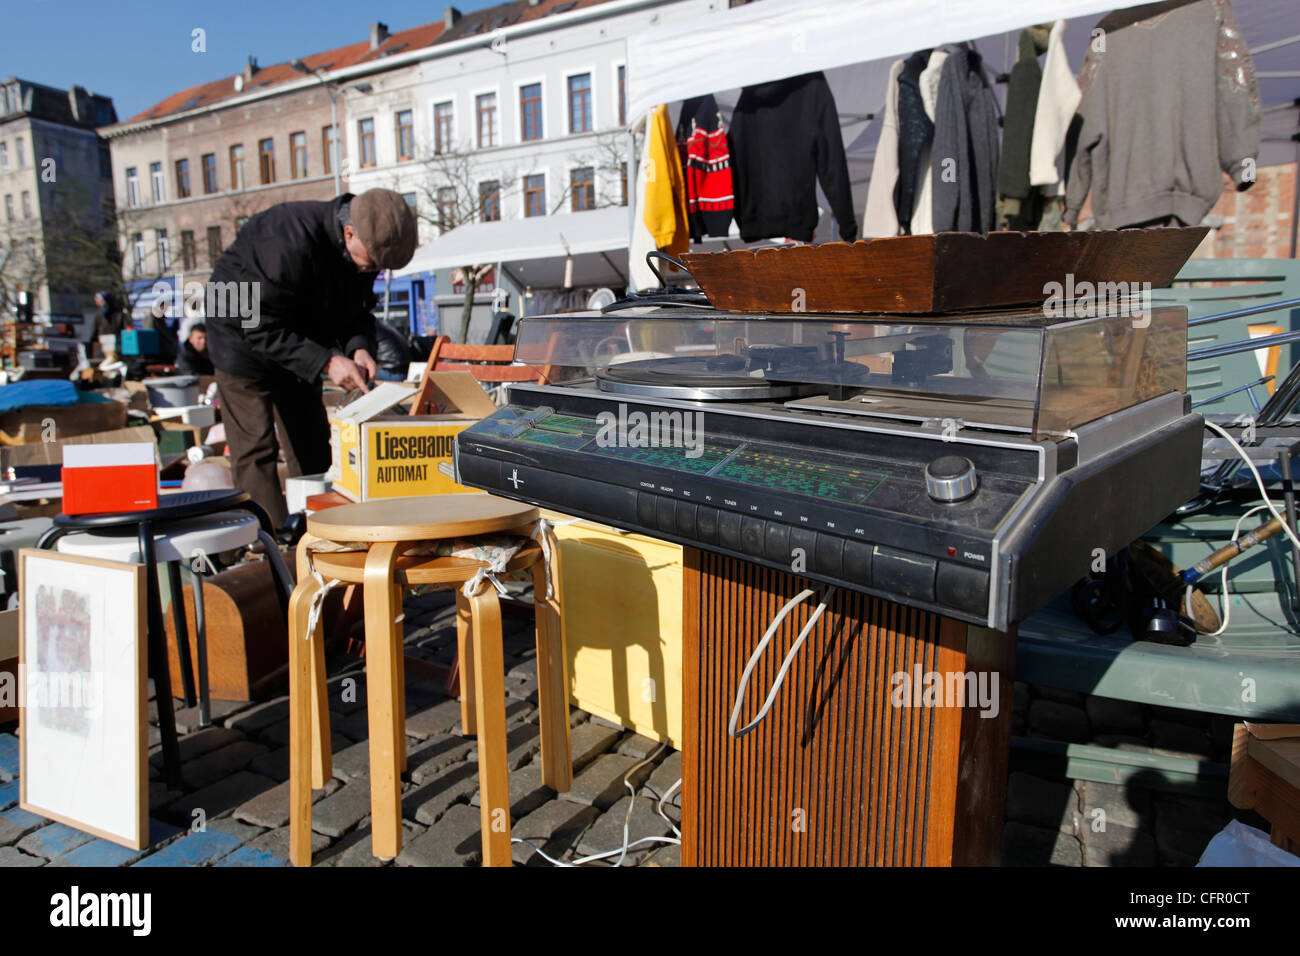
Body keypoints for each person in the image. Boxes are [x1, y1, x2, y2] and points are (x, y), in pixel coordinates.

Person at [205, 188, 417, 528]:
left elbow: (358, 311)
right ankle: (266, 544)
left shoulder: (362, 251)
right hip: (238, 332)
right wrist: (327, 362)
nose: (374, 270)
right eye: (373, 263)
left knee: (311, 439)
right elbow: (255, 326)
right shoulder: (283, 238)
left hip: (298, 336)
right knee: (256, 447)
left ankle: (320, 529)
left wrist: (358, 347)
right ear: (349, 233)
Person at [90, 290, 129, 357]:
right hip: (102, 346)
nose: (96, 301)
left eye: (98, 299)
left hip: (118, 345)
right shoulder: (99, 315)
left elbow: (127, 329)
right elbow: (95, 334)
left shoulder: (120, 313)